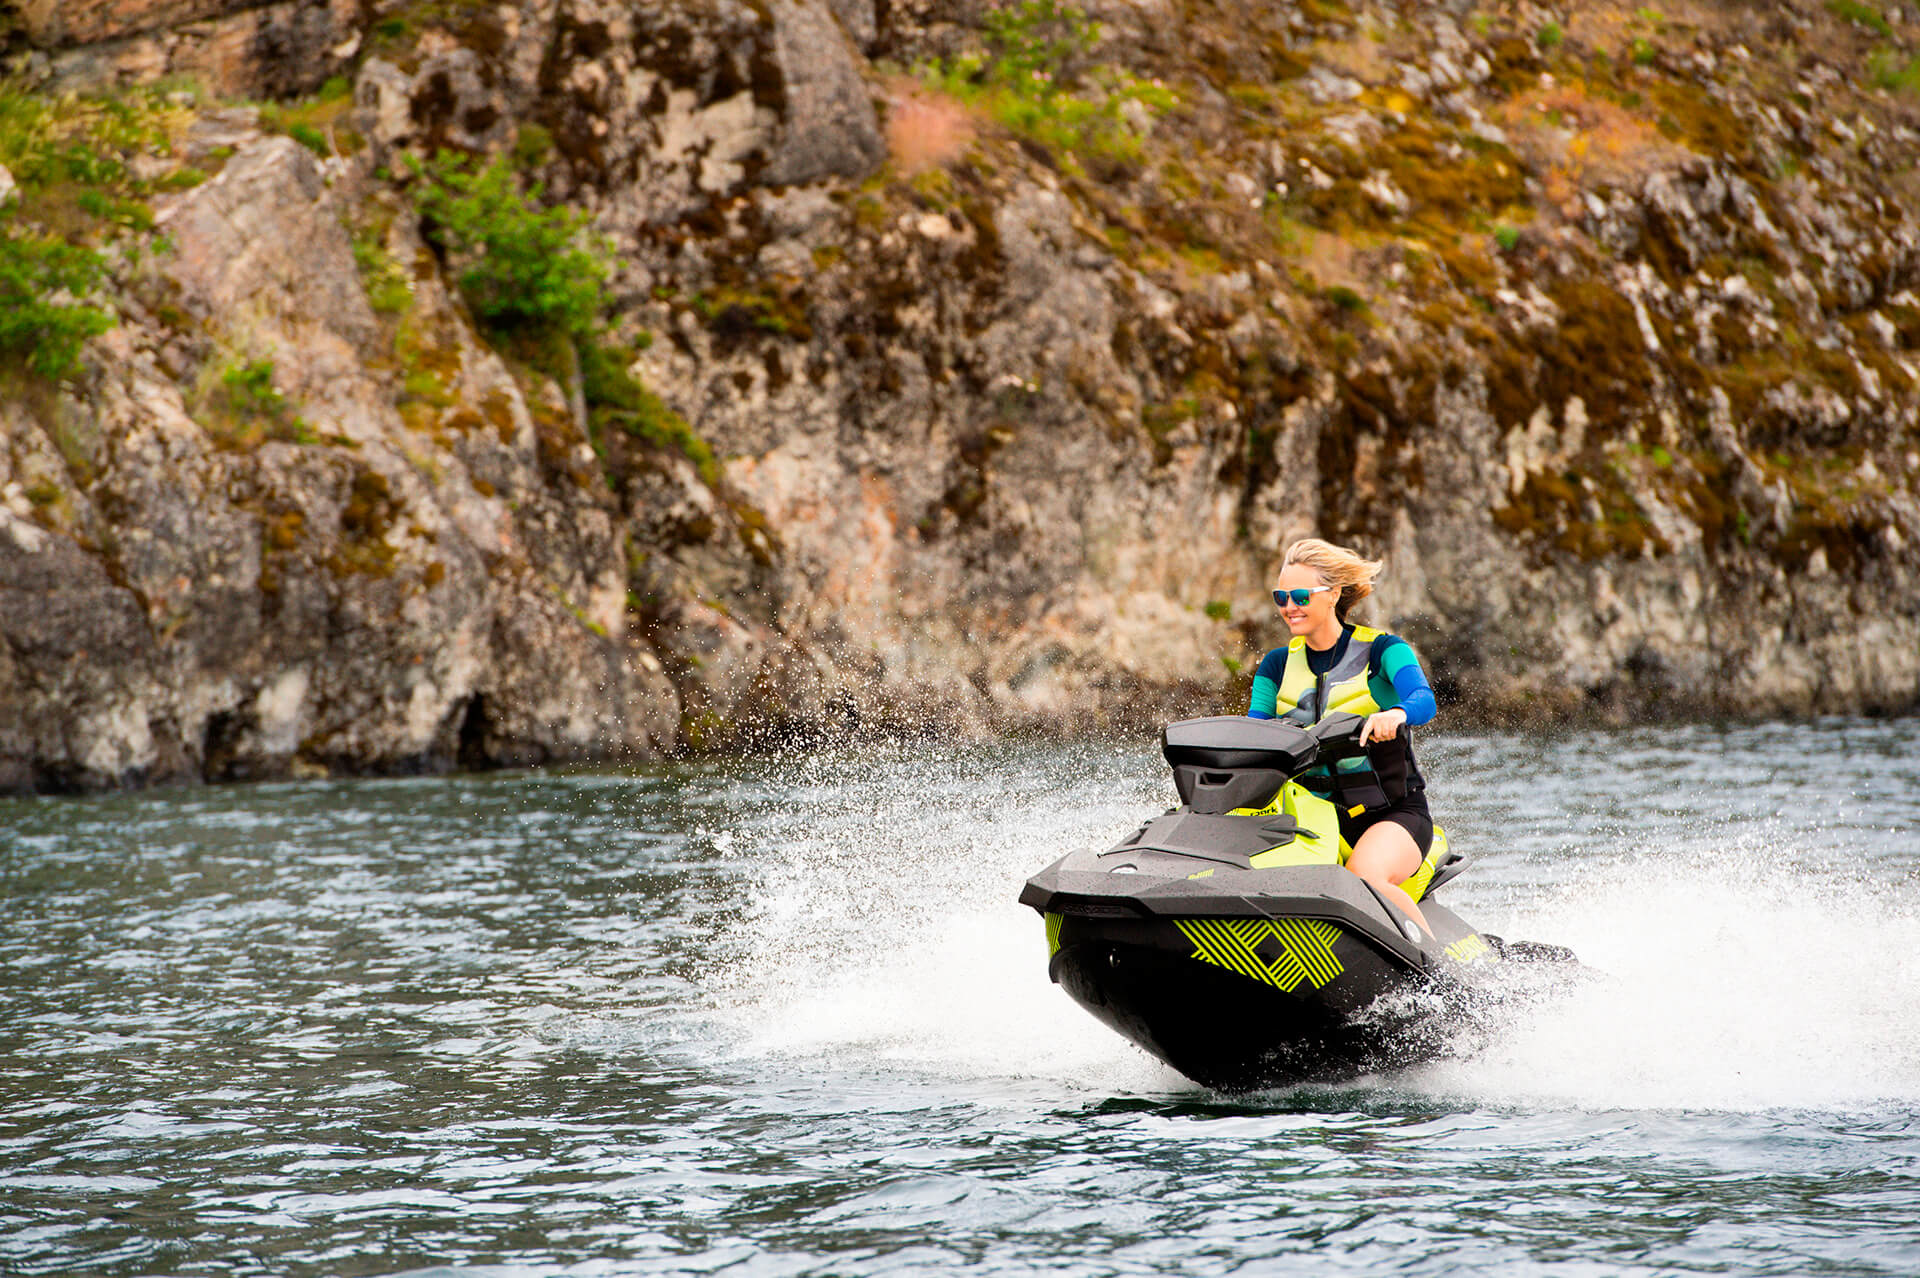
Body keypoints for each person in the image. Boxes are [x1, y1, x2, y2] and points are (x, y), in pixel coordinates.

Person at [1246, 538, 1438, 937]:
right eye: (1281, 596)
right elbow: (1254, 733)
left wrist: (1396, 713)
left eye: (1300, 595)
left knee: (1363, 876)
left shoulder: (1384, 650)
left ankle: (1438, 979)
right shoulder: (1276, 665)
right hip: (1311, 820)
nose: (1288, 606)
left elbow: (1423, 700)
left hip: (1392, 815)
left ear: (1333, 594)